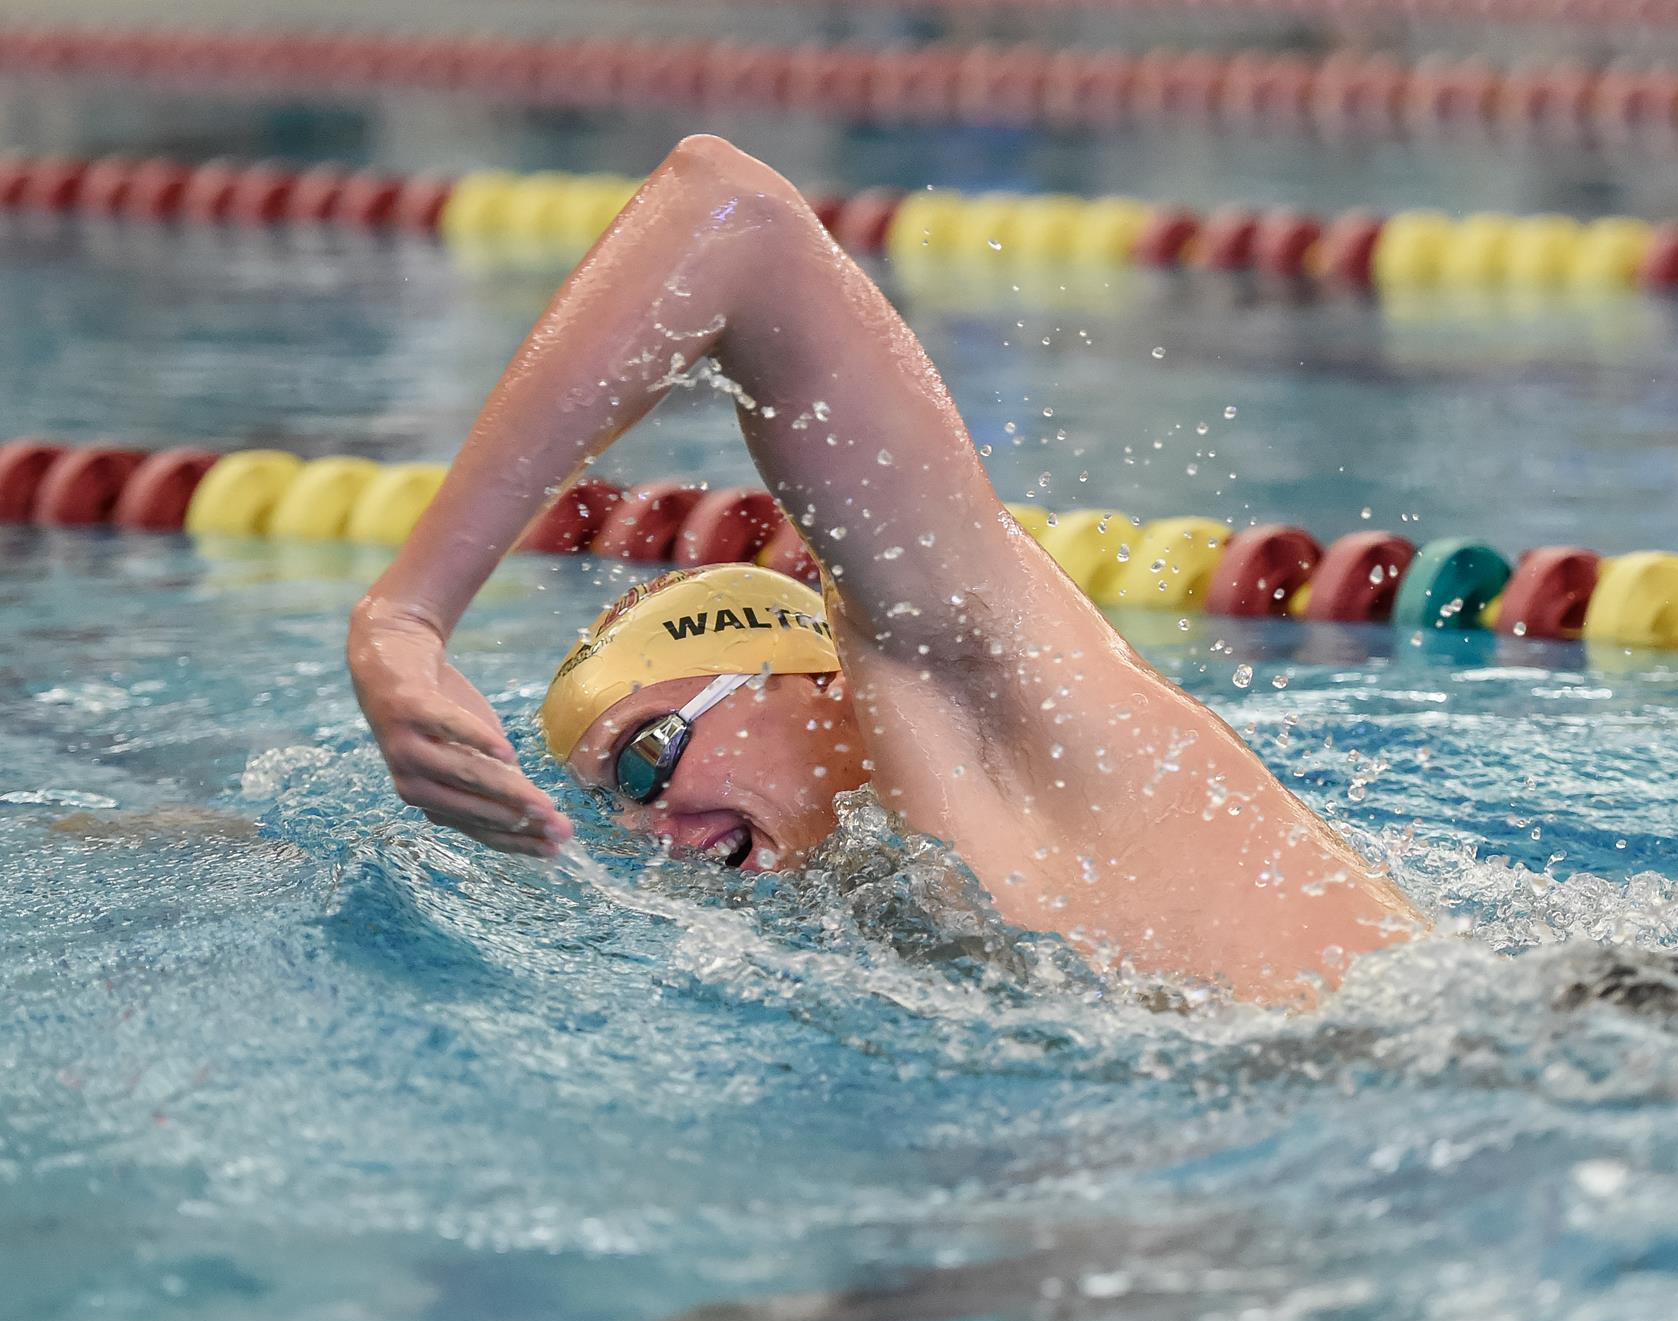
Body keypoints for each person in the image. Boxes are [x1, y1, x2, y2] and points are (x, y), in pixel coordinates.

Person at [347, 135, 1423, 1004]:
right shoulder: (888, 901)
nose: (646, 828)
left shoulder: (972, 678)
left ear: (812, 679)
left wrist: (406, 614)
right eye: (609, 804)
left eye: (644, 761)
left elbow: (731, 219)